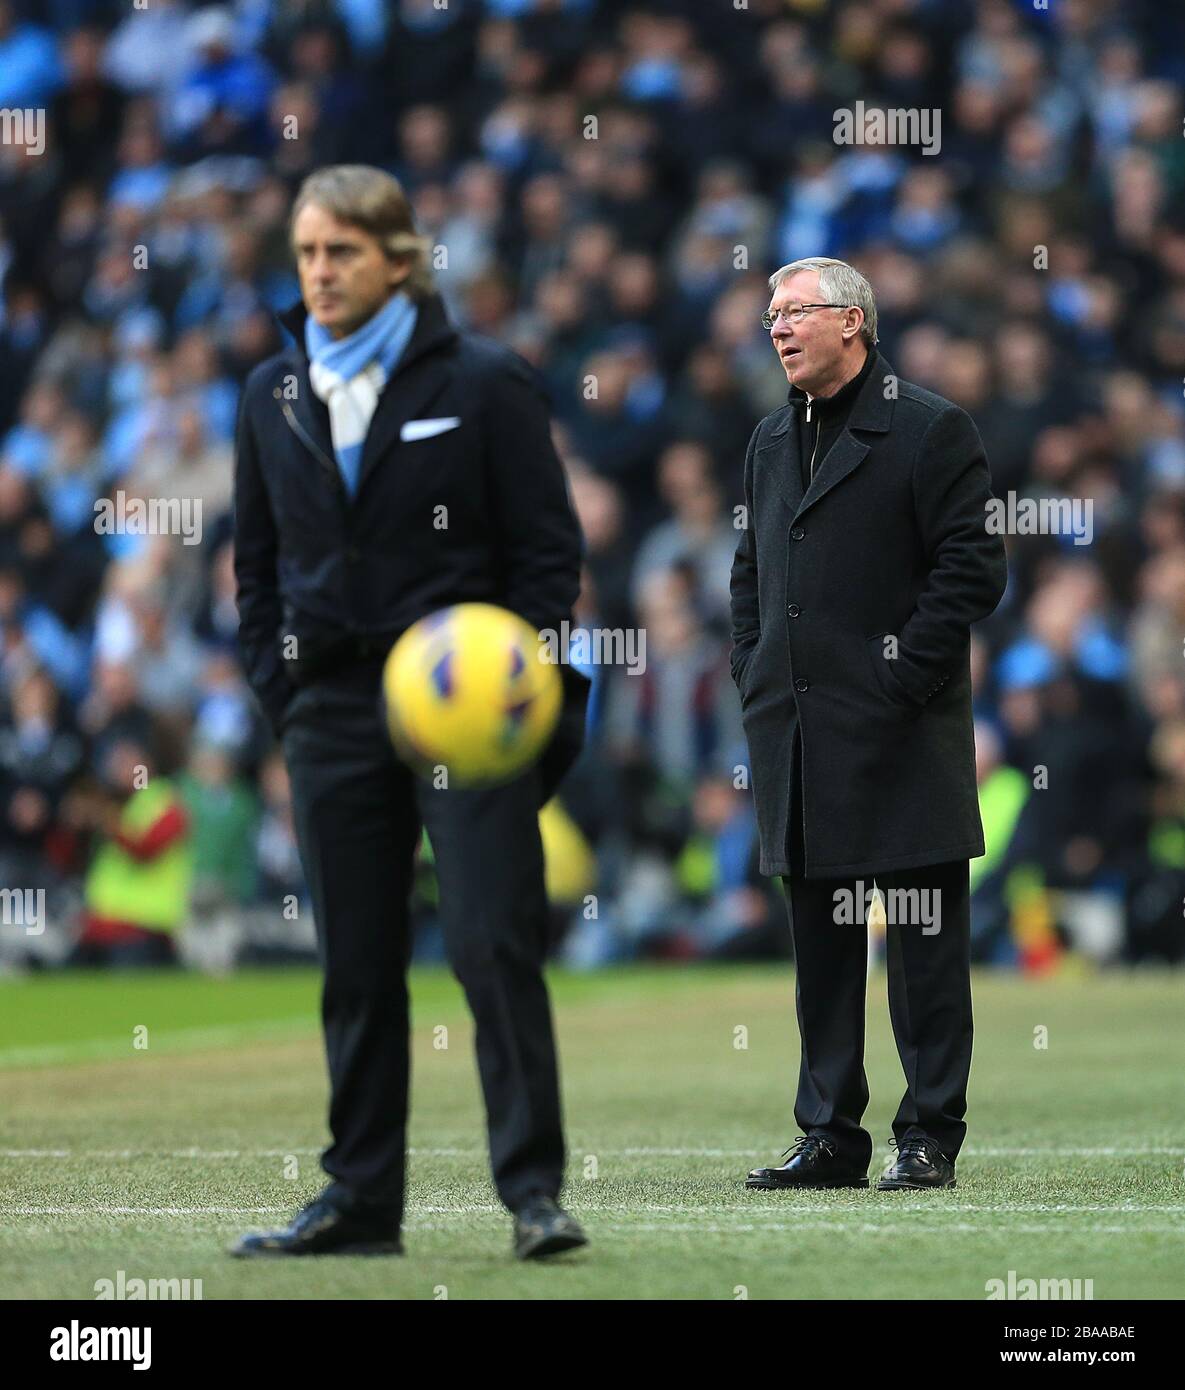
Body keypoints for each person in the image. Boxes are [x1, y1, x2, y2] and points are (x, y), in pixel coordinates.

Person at [230, 165, 590, 1259]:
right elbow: (255, 568)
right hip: (331, 710)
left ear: (400, 257)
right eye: (306, 253)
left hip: (465, 712)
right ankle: (360, 1200)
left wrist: (512, 678)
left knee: (492, 943)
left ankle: (533, 1194)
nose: (321, 272)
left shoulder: (486, 380)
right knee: (354, 961)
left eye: (341, 250)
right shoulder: (270, 394)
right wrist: (283, 693)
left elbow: (546, 557)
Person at [730, 257, 1007, 1192]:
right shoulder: (771, 438)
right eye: (770, 315)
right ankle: (830, 1135)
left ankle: (928, 1132)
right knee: (821, 948)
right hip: (800, 735)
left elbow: (972, 570)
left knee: (923, 946)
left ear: (852, 322)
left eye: (794, 312)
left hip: (898, 732)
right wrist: (753, 666)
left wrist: (904, 679)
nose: (776, 328)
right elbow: (748, 578)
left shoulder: (930, 429)